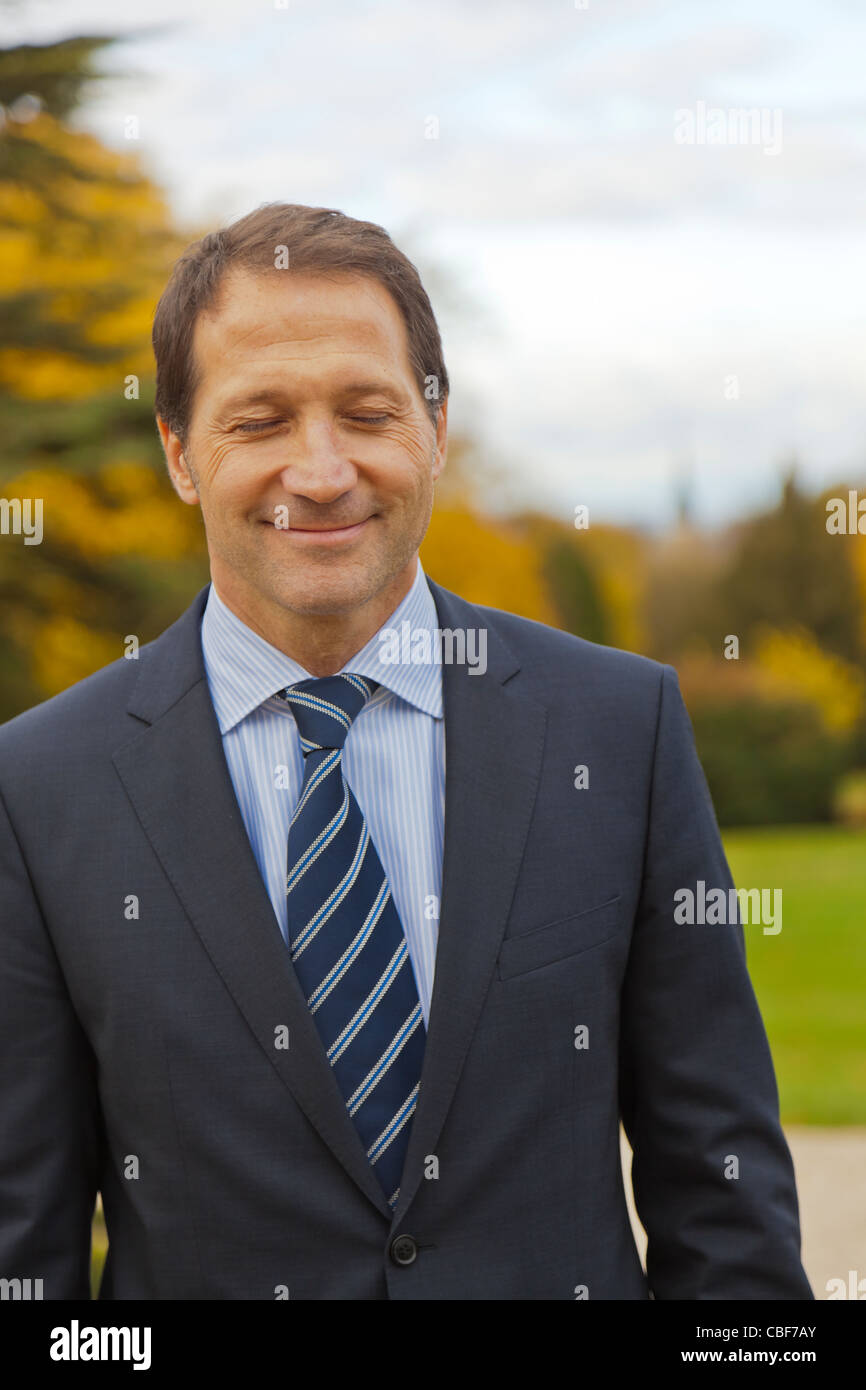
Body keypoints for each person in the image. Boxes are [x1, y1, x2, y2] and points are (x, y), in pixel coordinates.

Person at [0, 203, 812, 1300]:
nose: (323, 470)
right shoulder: (39, 789)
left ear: (434, 425)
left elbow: (722, 1198)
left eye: (365, 410)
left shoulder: (620, 729)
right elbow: (24, 1247)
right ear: (181, 453)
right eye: (261, 420)